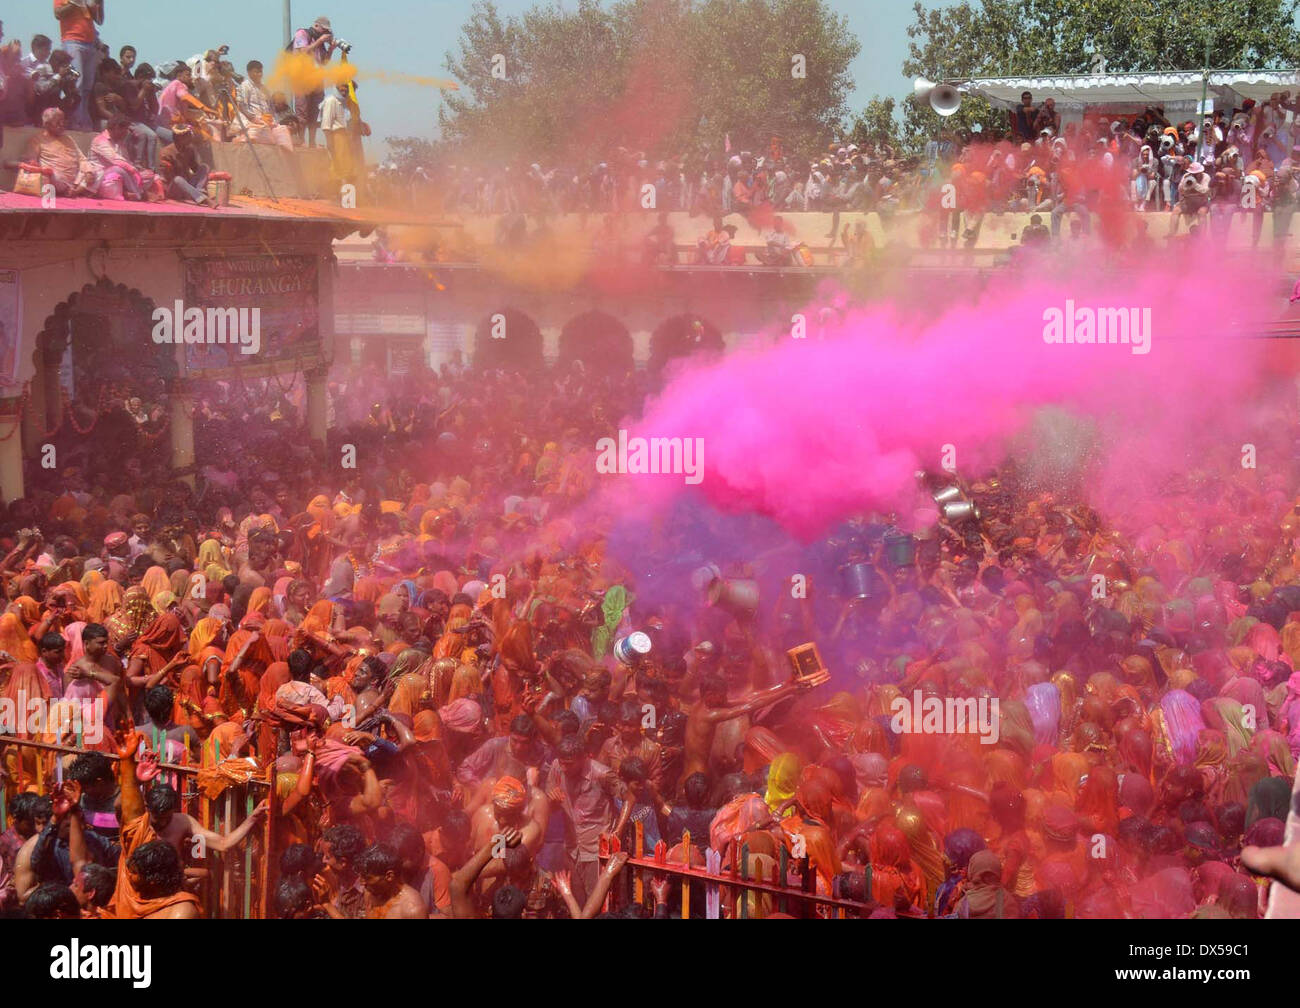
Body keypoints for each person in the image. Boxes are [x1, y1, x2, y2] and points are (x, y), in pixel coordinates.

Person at [53, 0, 103, 130]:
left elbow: (99, 20)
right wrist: (75, 3)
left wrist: (99, 3)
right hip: (72, 41)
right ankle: (74, 121)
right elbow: (58, 14)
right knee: (76, 83)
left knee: (87, 86)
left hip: (90, 43)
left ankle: (82, 120)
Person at [290, 15, 339, 148]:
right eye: (324, 30)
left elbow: (324, 62)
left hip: (316, 79)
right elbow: (302, 51)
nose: (325, 33)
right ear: (317, 26)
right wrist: (319, 41)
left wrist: (331, 49)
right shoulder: (302, 33)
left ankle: (312, 141)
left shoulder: (320, 42)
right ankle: (301, 140)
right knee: (302, 111)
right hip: (302, 78)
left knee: (315, 113)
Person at [234, 60, 293, 150]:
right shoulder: (245, 86)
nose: (259, 74)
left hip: (266, 120)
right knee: (259, 131)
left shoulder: (264, 88)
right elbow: (241, 106)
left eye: (260, 71)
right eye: (256, 72)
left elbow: (271, 107)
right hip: (251, 120)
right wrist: (254, 118)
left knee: (283, 129)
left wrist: (272, 120)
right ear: (249, 73)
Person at [158, 124, 213, 206]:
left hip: (188, 186)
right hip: (174, 189)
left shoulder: (189, 149)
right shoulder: (166, 152)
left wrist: (206, 175)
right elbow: (168, 177)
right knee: (178, 179)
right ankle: (202, 199)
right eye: (188, 136)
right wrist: (168, 167)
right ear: (180, 138)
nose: (191, 138)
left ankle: (199, 192)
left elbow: (195, 168)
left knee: (204, 167)